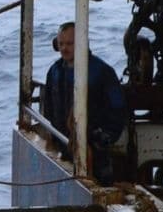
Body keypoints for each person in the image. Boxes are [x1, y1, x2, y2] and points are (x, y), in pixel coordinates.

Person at [40, 22, 128, 183]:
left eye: (69, 44)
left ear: (81, 43)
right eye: (61, 44)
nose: (64, 48)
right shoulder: (54, 72)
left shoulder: (102, 72)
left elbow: (118, 109)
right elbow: (48, 108)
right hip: (63, 148)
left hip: (95, 152)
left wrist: (102, 138)